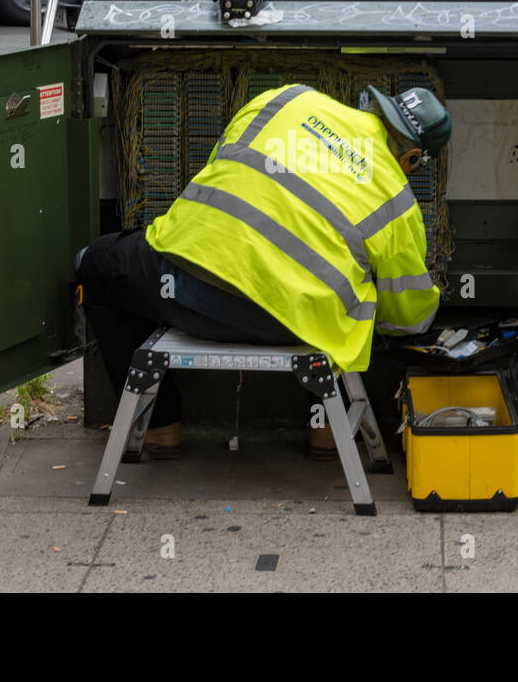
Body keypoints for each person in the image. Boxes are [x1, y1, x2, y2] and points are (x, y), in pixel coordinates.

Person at [75, 83, 452, 459]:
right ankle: (326, 433)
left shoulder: (287, 99)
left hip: (188, 284)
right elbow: (407, 316)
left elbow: (223, 172)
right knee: (344, 296)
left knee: (94, 264)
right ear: (414, 158)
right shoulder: (398, 203)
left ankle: (160, 428)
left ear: (374, 107)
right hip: (291, 326)